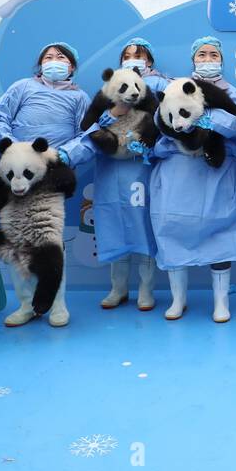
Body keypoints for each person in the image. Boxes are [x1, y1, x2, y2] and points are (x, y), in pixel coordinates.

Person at [148, 36, 236, 322]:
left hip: (216, 175)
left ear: (221, 59)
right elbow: (159, 130)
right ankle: (177, 300)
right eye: (202, 55)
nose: (207, 59)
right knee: (172, 232)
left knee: (220, 235)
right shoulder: (174, 89)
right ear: (193, 59)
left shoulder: (231, 93)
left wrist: (207, 119)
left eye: (213, 54)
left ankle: (220, 302)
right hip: (177, 175)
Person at [0, 41, 88, 327]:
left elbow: (87, 135)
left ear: (71, 67)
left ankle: (57, 305)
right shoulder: (22, 88)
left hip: (48, 178)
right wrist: (8, 147)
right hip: (15, 174)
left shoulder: (79, 98)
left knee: (49, 241)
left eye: (60, 57)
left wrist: (64, 155)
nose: (53, 60)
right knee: (17, 242)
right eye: (48, 57)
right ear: (40, 65)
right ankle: (26, 305)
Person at [64, 37, 167, 311]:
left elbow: (162, 126)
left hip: (141, 169)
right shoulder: (106, 92)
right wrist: (112, 114)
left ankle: (146, 289)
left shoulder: (156, 89)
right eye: (128, 55)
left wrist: (144, 143)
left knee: (144, 227)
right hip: (109, 169)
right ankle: (118, 288)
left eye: (140, 55)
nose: (133, 60)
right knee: (111, 226)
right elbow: (87, 128)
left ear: (150, 63)